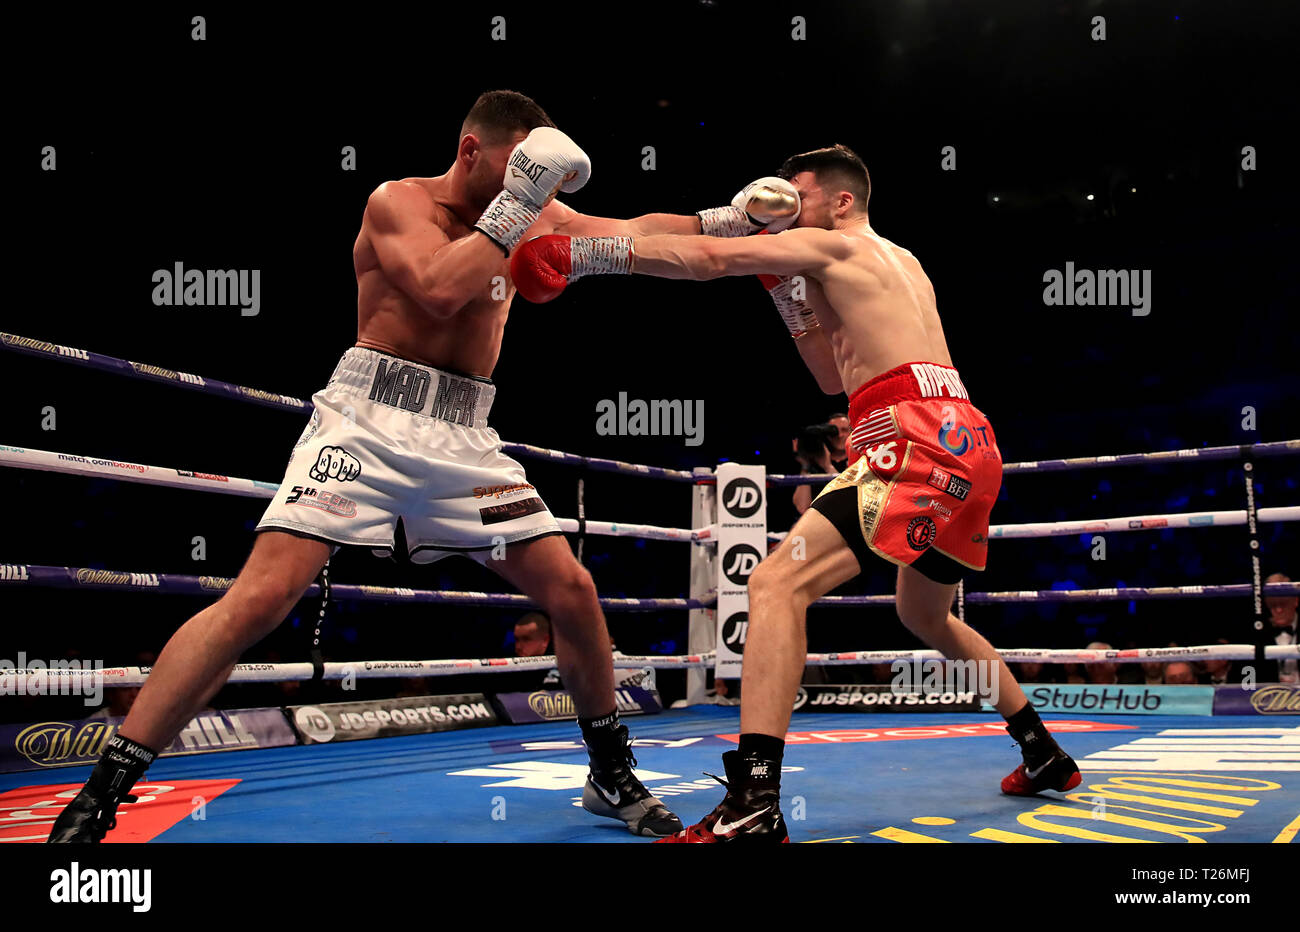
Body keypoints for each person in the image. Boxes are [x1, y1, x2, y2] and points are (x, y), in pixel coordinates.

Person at [48, 90, 798, 843]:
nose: (523, 190)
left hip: (463, 434)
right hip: (366, 421)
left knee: (571, 589)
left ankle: (608, 771)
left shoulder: (531, 217)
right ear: (472, 150)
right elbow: (440, 289)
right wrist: (523, 197)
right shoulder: (397, 202)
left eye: (532, 177)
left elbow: (640, 236)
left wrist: (735, 219)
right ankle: (104, 791)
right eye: (515, 170)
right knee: (260, 598)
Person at [513, 143, 1081, 843]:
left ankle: (754, 799)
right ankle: (1042, 751)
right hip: (966, 436)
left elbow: (711, 260)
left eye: (798, 193)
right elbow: (828, 375)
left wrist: (585, 258)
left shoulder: (834, 246)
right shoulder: (901, 262)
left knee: (776, 586)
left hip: (910, 433)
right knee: (926, 615)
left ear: (840, 201)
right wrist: (784, 290)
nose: (785, 205)